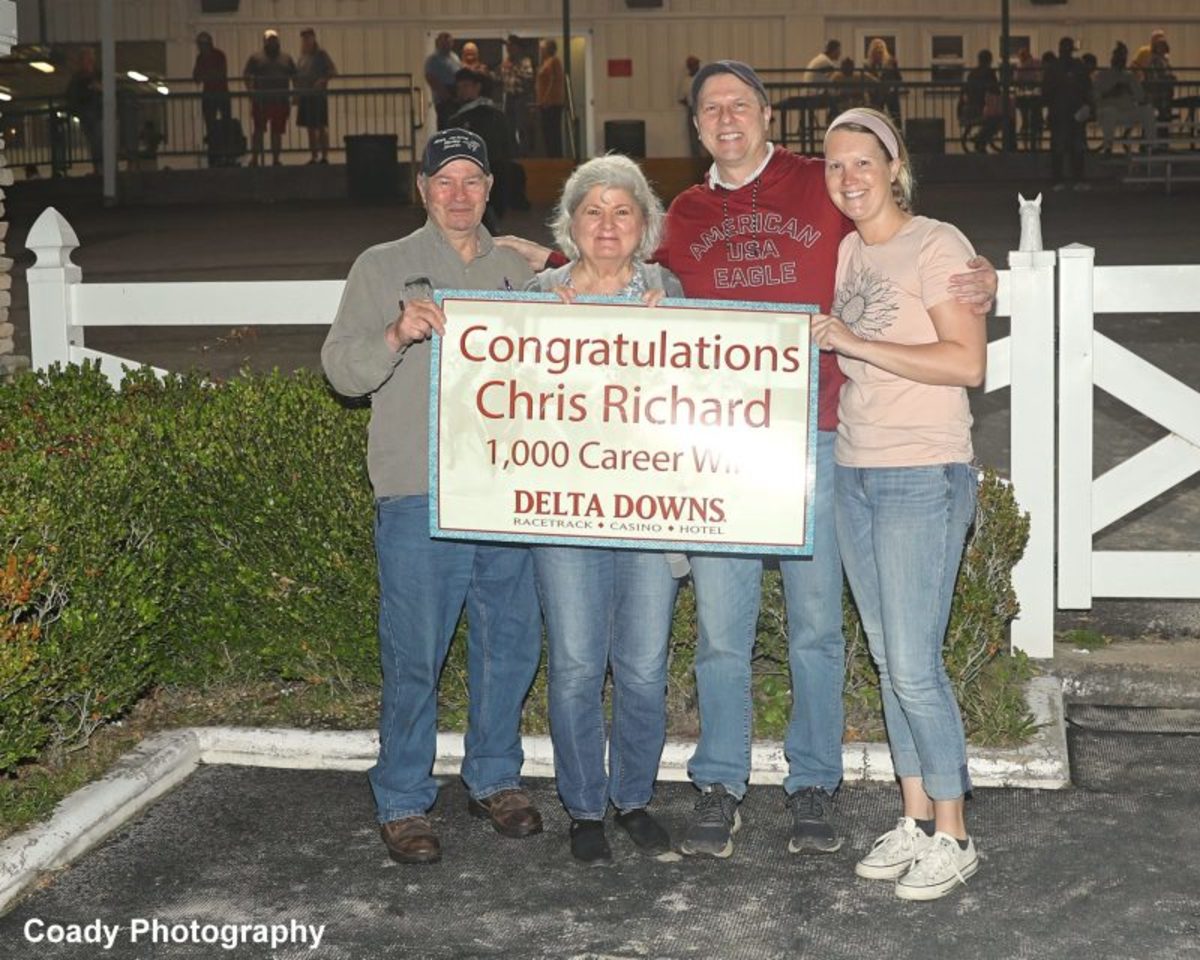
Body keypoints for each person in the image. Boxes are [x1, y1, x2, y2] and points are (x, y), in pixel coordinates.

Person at [498, 60, 995, 861]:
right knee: (722, 632)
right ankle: (720, 784)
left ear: (768, 114)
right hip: (722, 448)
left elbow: (903, 243)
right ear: (695, 127)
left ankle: (811, 786)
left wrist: (979, 278)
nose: (726, 119)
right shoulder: (685, 213)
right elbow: (614, 260)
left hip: (824, 435)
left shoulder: (824, 184)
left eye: (740, 105)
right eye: (709, 110)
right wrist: (542, 266)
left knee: (817, 631)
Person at [321, 128, 544, 866]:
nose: (458, 194)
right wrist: (392, 334)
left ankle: (494, 778)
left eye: (471, 181)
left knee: (507, 646)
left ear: (489, 191)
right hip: (420, 491)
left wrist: (560, 271)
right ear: (422, 189)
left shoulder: (518, 269)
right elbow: (343, 373)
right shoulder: (382, 266)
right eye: (443, 180)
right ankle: (404, 798)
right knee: (415, 652)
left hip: (506, 492)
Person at [812, 106, 985, 901]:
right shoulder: (850, 249)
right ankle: (914, 819)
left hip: (922, 470)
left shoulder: (938, 244)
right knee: (887, 658)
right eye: (834, 166)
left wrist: (855, 342)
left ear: (894, 166)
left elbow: (966, 363)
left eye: (862, 163)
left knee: (915, 663)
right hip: (856, 468)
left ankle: (954, 832)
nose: (848, 179)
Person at [527, 154, 686, 865]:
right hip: (565, 513)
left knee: (645, 666)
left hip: (649, 511)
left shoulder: (667, 291)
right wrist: (532, 338)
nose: (608, 224)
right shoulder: (536, 297)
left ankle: (634, 796)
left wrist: (674, 328)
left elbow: (710, 394)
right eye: (593, 210)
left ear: (644, 224)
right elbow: (498, 402)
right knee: (576, 665)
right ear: (571, 223)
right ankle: (584, 805)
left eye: (623, 211)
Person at [449, 68, 517, 228]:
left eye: (466, 86)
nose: (462, 91)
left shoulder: (494, 114)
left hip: (494, 167)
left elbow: (506, 143)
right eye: (459, 87)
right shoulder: (456, 116)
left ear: (477, 87)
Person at [1042, 36, 1092, 191]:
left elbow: (1046, 91)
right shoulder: (1079, 66)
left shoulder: (1053, 68)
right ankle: (1078, 179)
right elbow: (1087, 88)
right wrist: (1087, 105)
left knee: (1059, 146)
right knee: (1076, 146)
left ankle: (1058, 180)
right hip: (1074, 110)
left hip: (1059, 110)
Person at [243, 28, 296, 167]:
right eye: (269, 39)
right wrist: (251, 91)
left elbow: (295, 76)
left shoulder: (287, 58)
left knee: (277, 131)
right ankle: (255, 159)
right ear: (265, 41)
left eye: (274, 39)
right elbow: (247, 75)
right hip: (261, 101)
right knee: (259, 130)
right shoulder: (256, 58)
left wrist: (296, 94)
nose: (272, 42)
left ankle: (276, 160)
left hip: (280, 100)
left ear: (277, 41)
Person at [1094, 43, 1158, 154]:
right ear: (1113, 59)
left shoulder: (1130, 77)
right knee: (1110, 112)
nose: (1121, 60)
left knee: (1147, 110)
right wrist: (1111, 92)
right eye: (1119, 57)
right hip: (1109, 109)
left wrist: (1131, 91)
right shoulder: (1103, 75)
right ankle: (1108, 146)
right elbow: (1095, 96)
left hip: (1127, 110)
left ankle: (1152, 145)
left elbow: (1140, 97)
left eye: (1123, 58)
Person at [295, 28, 336, 164]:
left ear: (313, 38)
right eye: (304, 38)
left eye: (308, 37)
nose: (306, 40)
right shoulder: (302, 57)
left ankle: (324, 156)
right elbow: (298, 77)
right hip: (305, 96)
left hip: (318, 96)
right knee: (310, 128)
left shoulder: (321, 54)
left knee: (320, 126)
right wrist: (297, 94)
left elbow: (332, 70)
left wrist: (322, 80)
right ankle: (314, 155)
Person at [192, 32, 232, 164]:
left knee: (226, 124)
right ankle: (214, 155)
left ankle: (227, 154)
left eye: (202, 44)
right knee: (210, 125)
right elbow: (197, 77)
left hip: (221, 93)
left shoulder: (219, 55)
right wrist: (207, 74)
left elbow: (220, 73)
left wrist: (206, 74)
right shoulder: (200, 58)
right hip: (209, 94)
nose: (200, 47)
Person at [65, 46, 102, 173]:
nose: (89, 61)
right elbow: (73, 96)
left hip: (99, 114)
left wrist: (99, 89)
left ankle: (101, 167)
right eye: (87, 59)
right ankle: (98, 167)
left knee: (99, 142)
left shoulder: (98, 74)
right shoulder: (78, 79)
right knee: (95, 142)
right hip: (88, 116)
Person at [499, 34, 535, 156]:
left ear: (517, 47)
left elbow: (528, 79)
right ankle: (512, 154)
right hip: (509, 98)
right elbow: (501, 78)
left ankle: (524, 155)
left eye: (510, 46)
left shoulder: (525, 61)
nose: (508, 49)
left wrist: (513, 69)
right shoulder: (506, 62)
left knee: (522, 128)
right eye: (507, 46)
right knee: (509, 128)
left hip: (521, 98)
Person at [962, 49, 1003, 153]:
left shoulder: (972, 73)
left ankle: (981, 140)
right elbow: (996, 91)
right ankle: (981, 138)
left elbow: (966, 90)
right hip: (983, 107)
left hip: (969, 108)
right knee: (1000, 119)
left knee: (993, 118)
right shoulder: (989, 73)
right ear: (989, 60)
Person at [425, 31, 462, 130]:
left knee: (456, 125)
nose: (446, 44)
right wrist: (446, 95)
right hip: (443, 96)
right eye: (443, 42)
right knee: (446, 125)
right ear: (438, 43)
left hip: (456, 94)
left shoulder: (455, 57)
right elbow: (430, 78)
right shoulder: (433, 59)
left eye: (449, 42)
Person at [536, 39, 566, 157]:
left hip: (552, 103)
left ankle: (556, 157)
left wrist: (546, 98)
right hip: (544, 104)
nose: (541, 50)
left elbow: (554, 81)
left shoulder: (554, 61)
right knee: (547, 132)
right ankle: (550, 156)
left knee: (553, 131)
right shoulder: (545, 62)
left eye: (542, 48)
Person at [863, 38, 902, 124]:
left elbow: (898, 77)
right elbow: (865, 80)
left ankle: (898, 134)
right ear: (872, 50)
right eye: (876, 48)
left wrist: (893, 88)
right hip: (876, 94)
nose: (879, 50)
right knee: (875, 117)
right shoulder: (868, 64)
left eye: (881, 47)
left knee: (895, 116)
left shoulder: (891, 61)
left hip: (890, 92)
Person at [1014, 48, 1043, 151]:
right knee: (1037, 118)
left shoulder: (1021, 67)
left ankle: (1026, 143)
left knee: (1025, 119)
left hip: (1024, 96)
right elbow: (1041, 76)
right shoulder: (1038, 63)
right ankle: (1038, 142)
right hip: (1037, 94)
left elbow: (1017, 81)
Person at [676, 55, 703, 158]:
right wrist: (687, 102)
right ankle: (696, 157)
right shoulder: (686, 80)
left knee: (705, 132)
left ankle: (709, 156)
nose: (697, 66)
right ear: (689, 67)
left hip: (702, 108)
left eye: (697, 64)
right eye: (694, 65)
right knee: (693, 135)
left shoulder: (702, 77)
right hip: (691, 109)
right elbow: (681, 97)